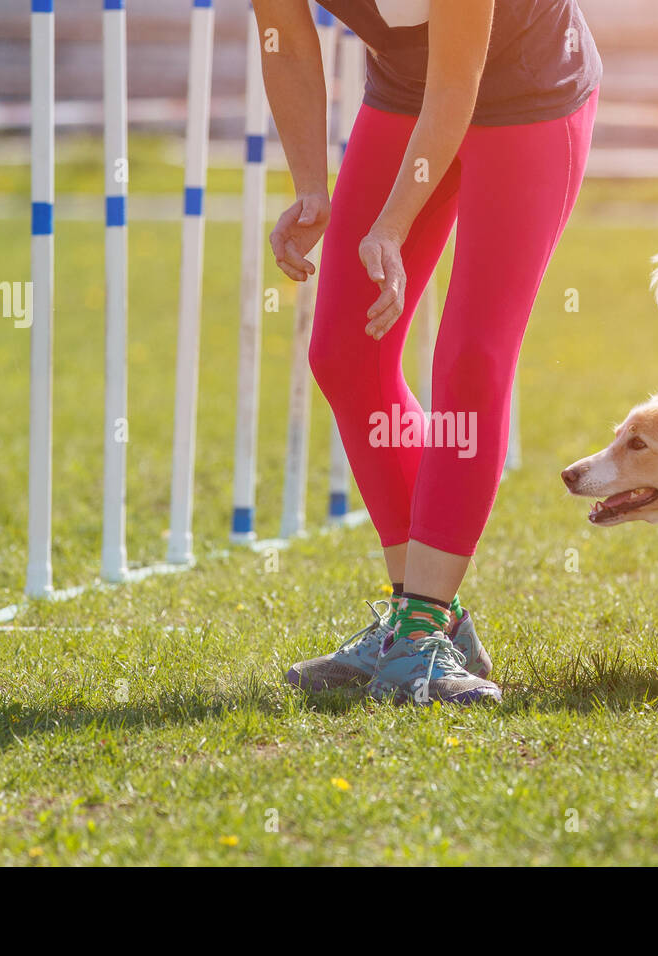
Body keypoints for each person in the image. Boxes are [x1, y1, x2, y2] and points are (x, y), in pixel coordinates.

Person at [256, 0, 601, 704]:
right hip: (408, 91)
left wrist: (391, 224)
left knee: (471, 357)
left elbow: (458, 83)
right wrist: (312, 190)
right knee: (346, 353)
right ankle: (421, 622)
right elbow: (285, 37)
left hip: (527, 92)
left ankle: (419, 626)